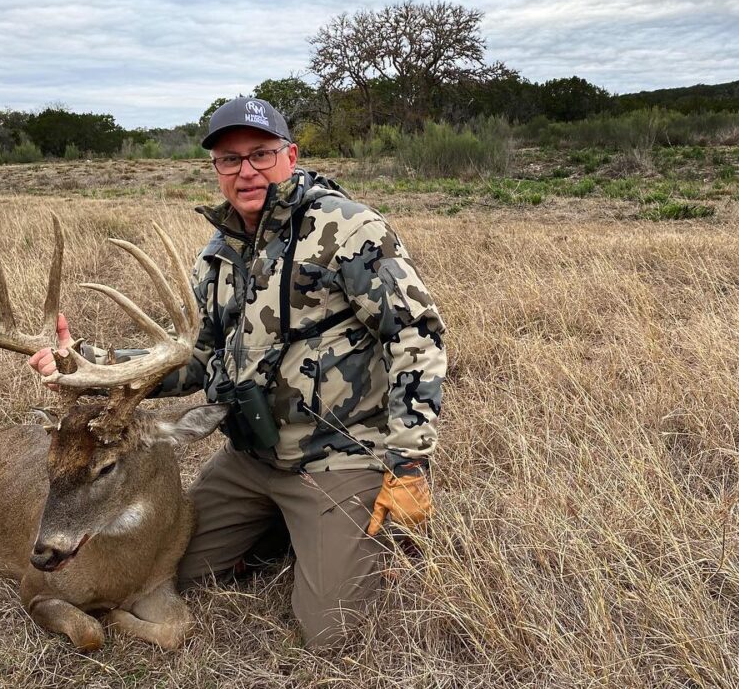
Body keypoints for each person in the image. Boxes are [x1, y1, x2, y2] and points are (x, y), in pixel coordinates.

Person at [29, 97, 445, 649]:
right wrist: (93, 363)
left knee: (330, 632)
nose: (246, 170)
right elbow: (197, 360)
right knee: (174, 570)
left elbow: (416, 334)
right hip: (251, 458)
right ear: (217, 169)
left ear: (289, 156)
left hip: (338, 456)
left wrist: (408, 460)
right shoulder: (218, 253)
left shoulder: (347, 229)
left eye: (261, 155)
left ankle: (354, 527)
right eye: (230, 159)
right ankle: (283, 527)